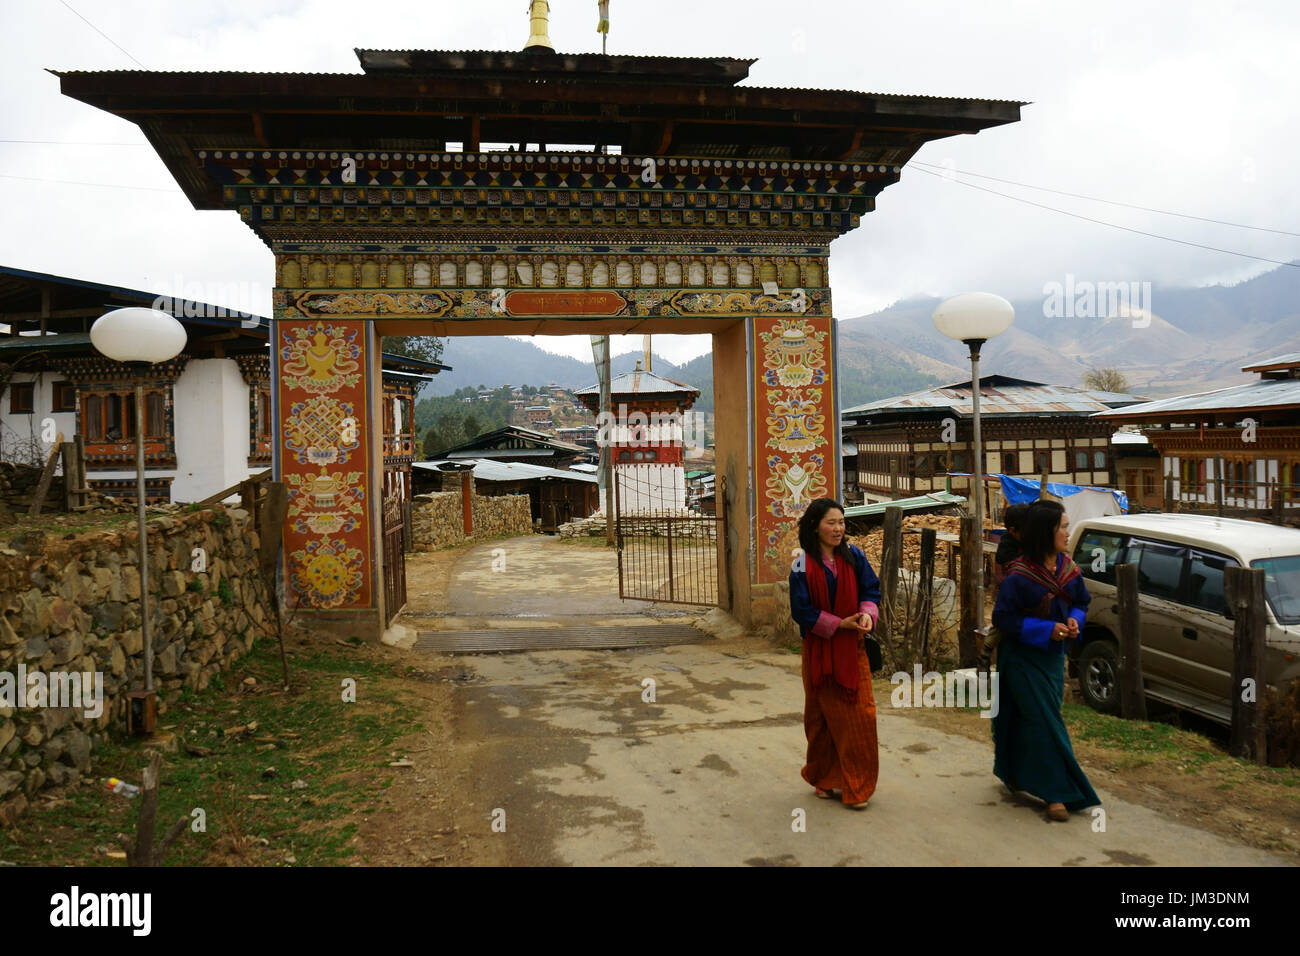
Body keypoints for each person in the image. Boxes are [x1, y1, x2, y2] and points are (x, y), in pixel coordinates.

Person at [991, 499, 1100, 821]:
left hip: (1053, 660)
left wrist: (1075, 620)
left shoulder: (1069, 570)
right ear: (1046, 532)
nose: (1068, 532)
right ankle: (1059, 793)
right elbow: (1003, 619)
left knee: (1035, 720)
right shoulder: (1019, 576)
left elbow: (1081, 601)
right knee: (1045, 723)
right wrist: (1044, 628)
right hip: (1023, 660)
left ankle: (1017, 771)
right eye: (1063, 527)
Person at [788, 497, 881, 809]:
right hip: (818, 649)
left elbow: (870, 591)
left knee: (862, 716)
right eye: (831, 522)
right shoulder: (801, 564)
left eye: (841, 522)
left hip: (852, 649)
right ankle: (825, 777)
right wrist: (838, 623)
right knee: (821, 720)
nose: (838, 528)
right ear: (815, 527)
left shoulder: (855, 557)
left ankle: (857, 785)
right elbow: (801, 610)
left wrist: (867, 614)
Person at [977, 502, 1030, 670]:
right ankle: (986, 652)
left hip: (1026, 593)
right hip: (1010, 593)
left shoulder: (1030, 541)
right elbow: (1002, 571)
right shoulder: (1007, 545)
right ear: (1013, 530)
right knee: (1000, 624)